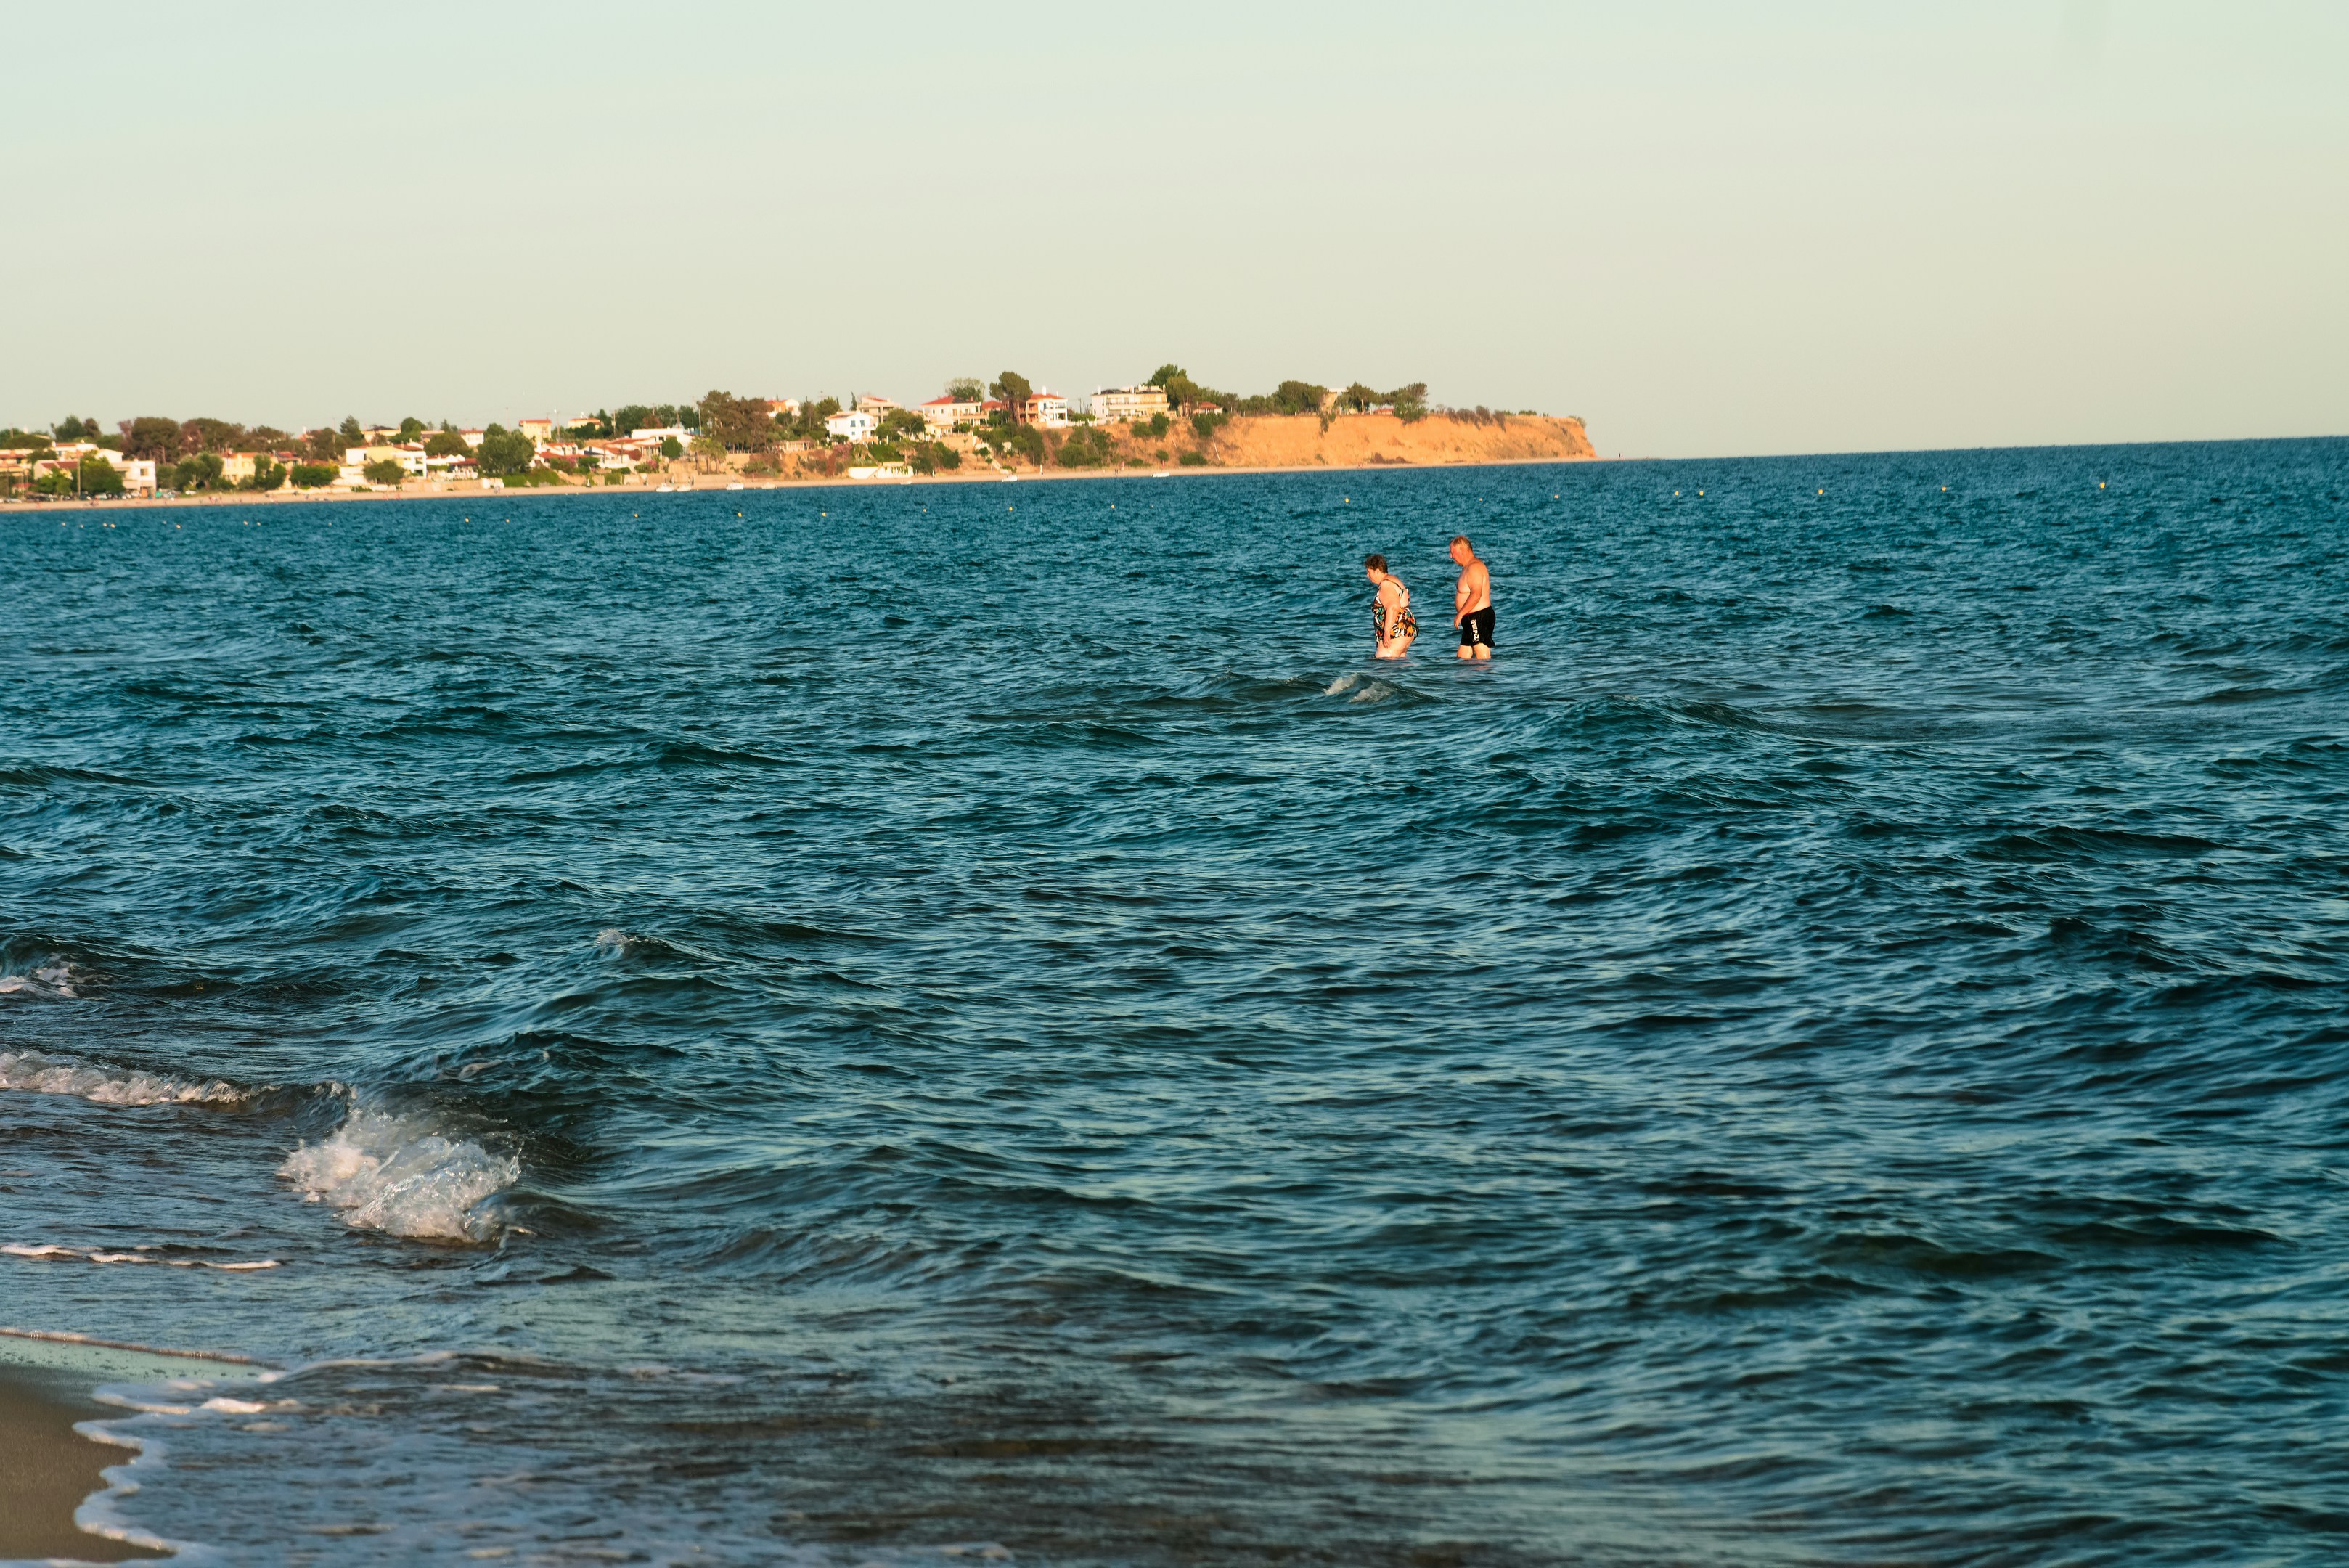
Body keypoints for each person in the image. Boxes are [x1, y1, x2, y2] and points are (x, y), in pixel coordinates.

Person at [1365, 554, 1417, 659]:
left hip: (1395, 633)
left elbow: (1393, 606)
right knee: (1398, 671)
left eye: (1369, 572)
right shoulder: (1393, 580)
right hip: (1406, 630)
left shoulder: (1386, 584)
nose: (1367, 575)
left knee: (1381, 670)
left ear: (1377, 571)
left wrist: (1387, 632)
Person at [1450, 535, 1493, 659]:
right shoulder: (1468, 567)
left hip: (1478, 617)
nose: (1451, 556)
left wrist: (1460, 614)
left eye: (1452, 552)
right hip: (1470, 618)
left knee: (1482, 655)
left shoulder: (1475, 567)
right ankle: (1468, 679)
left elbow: (1476, 595)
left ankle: (1485, 678)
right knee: (1462, 657)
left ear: (1462, 550)